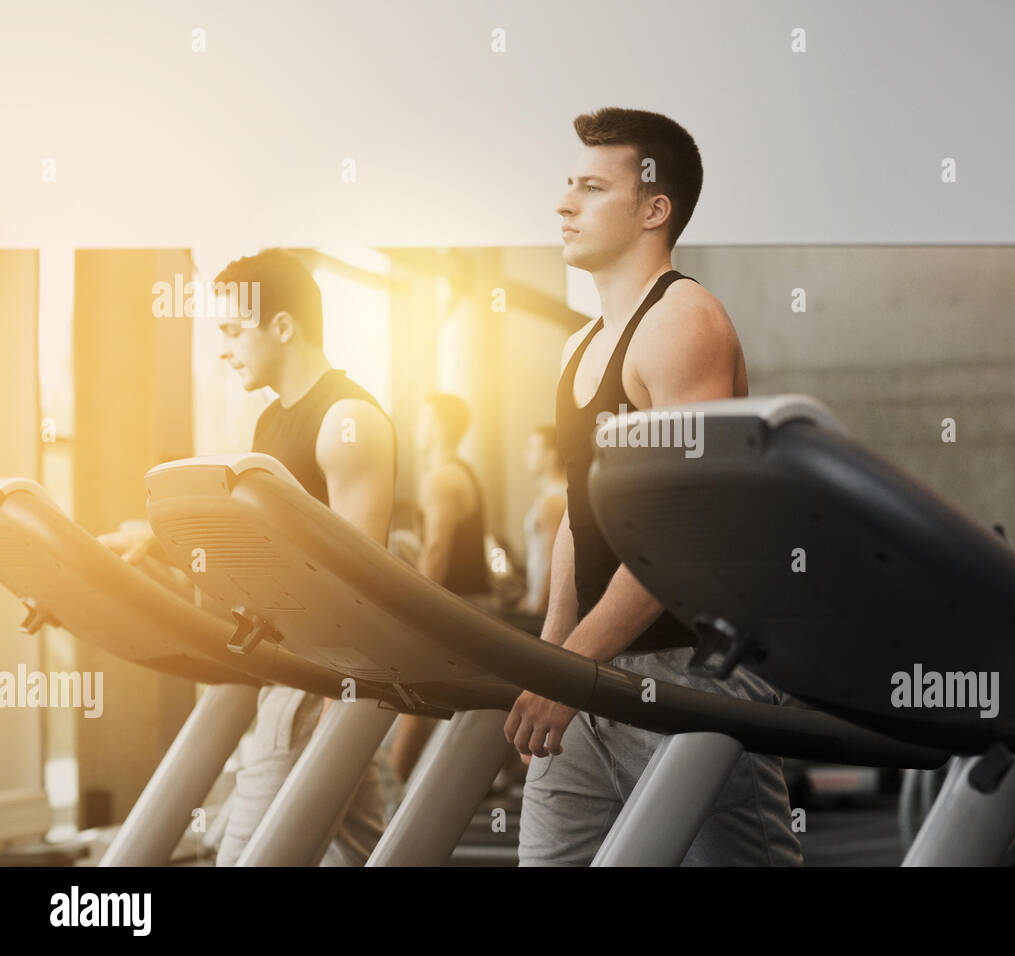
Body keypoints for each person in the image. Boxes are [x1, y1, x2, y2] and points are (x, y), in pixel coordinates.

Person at [504, 106, 804, 865]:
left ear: (652, 208)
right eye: (569, 184)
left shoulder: (683, 322)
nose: (565, 203)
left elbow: (688, 531)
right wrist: (553, 662)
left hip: (691, 677)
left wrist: (573, 669)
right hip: (595, 665)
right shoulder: (579, 346)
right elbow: (580, 521)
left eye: (592, 187)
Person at [102, 248, 396, 866]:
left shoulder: (347, 419)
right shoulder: (270, 423)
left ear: (283, 327)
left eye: (234, 330)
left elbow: (358, 581)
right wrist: (161, 540)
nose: (224, 347)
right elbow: (270, 539)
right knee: (371, 849)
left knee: (245, 857)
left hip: (318, 674)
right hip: (291, 667)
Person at [389, 392, 490, 782]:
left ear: (439, 427)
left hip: (457, 606)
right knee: (430, 697)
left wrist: (417, 615)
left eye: (422, 420)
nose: (416, 428)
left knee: (417, 694)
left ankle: (395, 793)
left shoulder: (441, 477)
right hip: (470, 603)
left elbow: (437, 550)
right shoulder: (459, 472)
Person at [516, 426, 566, 617]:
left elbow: (553, 560)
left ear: (552, 455)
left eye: (532, 448)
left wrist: (540, 603)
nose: (526, 454)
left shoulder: (552, 502)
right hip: (538, 601)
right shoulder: (551, 497)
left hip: (543, 607)